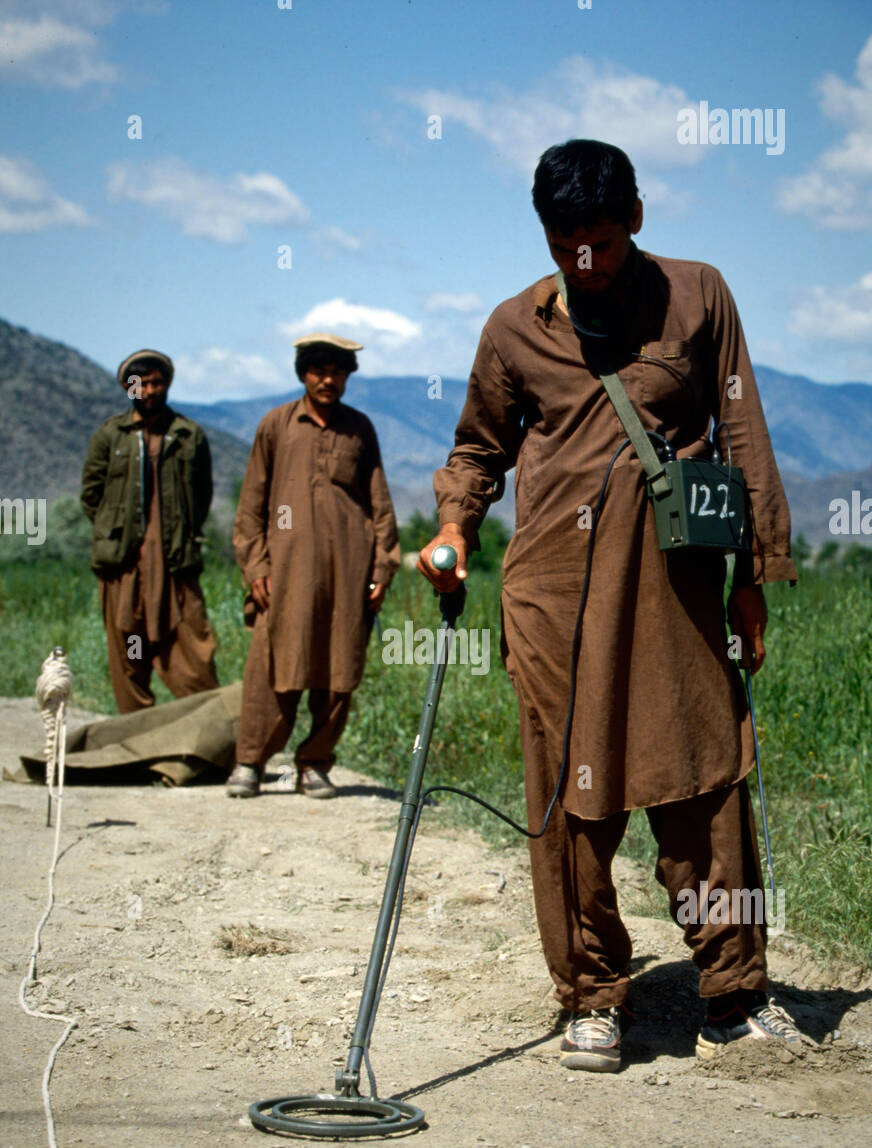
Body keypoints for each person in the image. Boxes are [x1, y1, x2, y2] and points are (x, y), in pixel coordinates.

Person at [418, 139, 803, 1072]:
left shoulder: (698, 295)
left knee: (705, 774)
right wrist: (456, 530)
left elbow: (742, 428)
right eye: (563, 242)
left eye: (598, 238)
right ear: (544, 234)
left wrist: (755, 572)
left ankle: (734, 991)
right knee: (571, 796)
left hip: (676, 587)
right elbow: (477, 450)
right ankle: (592, 995)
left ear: (634, 218)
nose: (583, 260)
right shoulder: (514, 328)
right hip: (553, 593)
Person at [227, 334, 400, 799]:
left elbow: (379, 503)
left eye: (337, 371)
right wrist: (256, 567)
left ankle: (315, 762)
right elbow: (250, 507)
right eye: (319, 370)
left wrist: (382, 569)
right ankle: (249, 761)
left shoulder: (359, 429)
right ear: (303, 373)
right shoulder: (277, 425)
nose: (328, 379)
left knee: (340, 666)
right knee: (271, 664)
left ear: (348, 376)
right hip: (283, 574)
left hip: (349, 572)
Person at [81, 349, 218, 714]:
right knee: (131, 646)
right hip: (125, 568)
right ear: (130, 388)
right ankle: (137, 734)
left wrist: (177, 533)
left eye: (158, 382)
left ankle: (206, 735)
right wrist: (115, 533)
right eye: (142, 384)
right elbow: (91, 496)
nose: (151, 390)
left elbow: (202, 495)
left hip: (174, 564)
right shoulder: (111, 436)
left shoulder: (188, 435)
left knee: (191, 649)